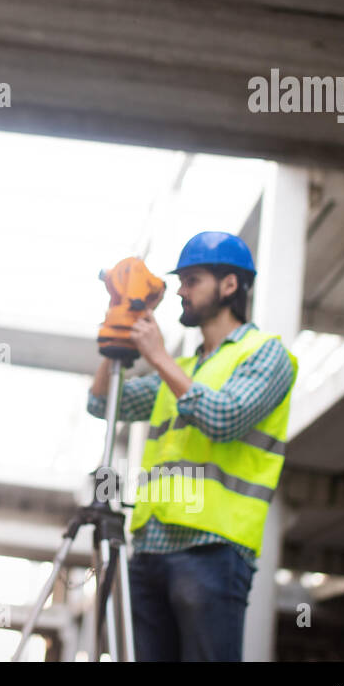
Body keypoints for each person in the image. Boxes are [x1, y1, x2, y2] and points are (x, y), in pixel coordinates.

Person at [87, 232, 297, 661]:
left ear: (230, 286)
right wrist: (120, 325)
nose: (180, 291)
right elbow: (102, 403)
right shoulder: (181, 370)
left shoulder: (266, 355)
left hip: (212, 550)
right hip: (150, 547)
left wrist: (159, 356)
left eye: (192, 280)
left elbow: (225, 418)